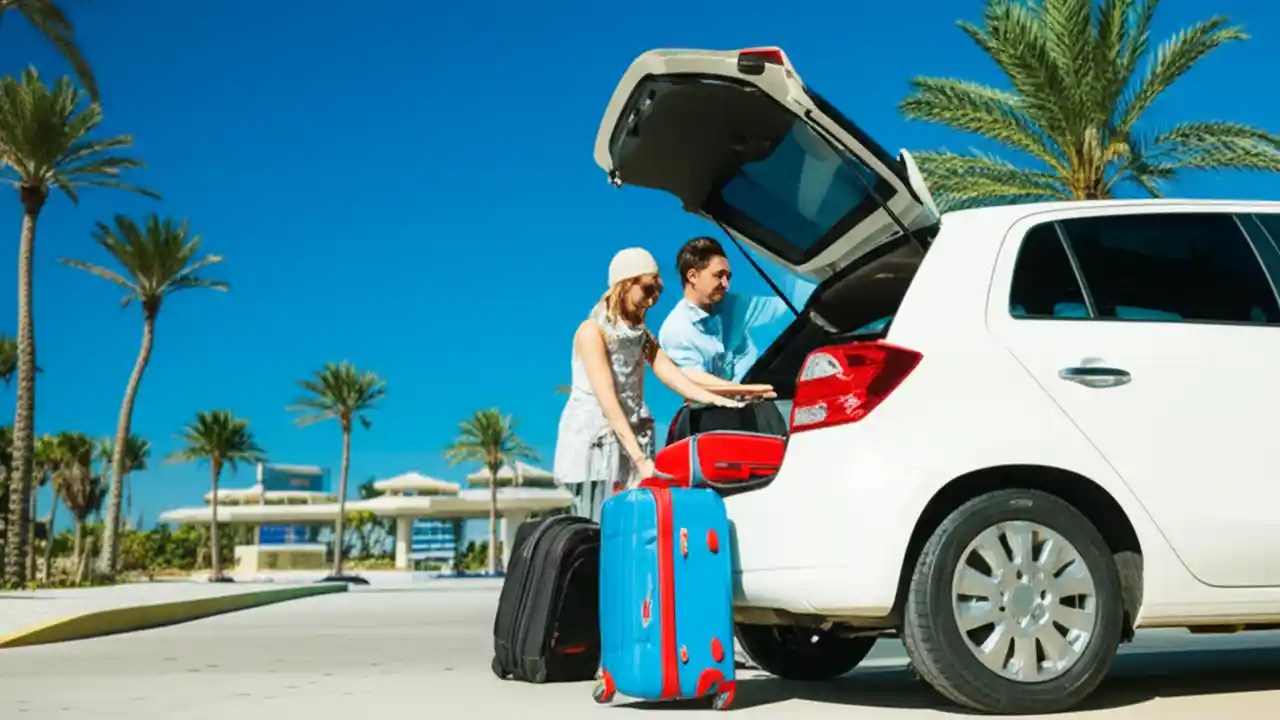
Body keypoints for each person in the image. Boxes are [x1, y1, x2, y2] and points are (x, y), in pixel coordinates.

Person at [553, 247, 770, 522]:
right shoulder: (591, 332)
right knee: (594, 528)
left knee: (630, 527)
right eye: (647, 289)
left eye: (657, 290)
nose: (653, 299)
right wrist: (640, 460)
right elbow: (608, 401)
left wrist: (735, 392)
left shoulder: (641, 337)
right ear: (624, 284)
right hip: (596, 445)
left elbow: (676, 375)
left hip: (631, 443)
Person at [659, 236, 816, 386]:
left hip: (755, 385)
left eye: (728, 277)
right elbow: (703, 389)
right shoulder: (676, 332)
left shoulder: (732, 304)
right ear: (692, 276)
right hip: (719, 407)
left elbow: (782, 305)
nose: (726, 284)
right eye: (719, 276)